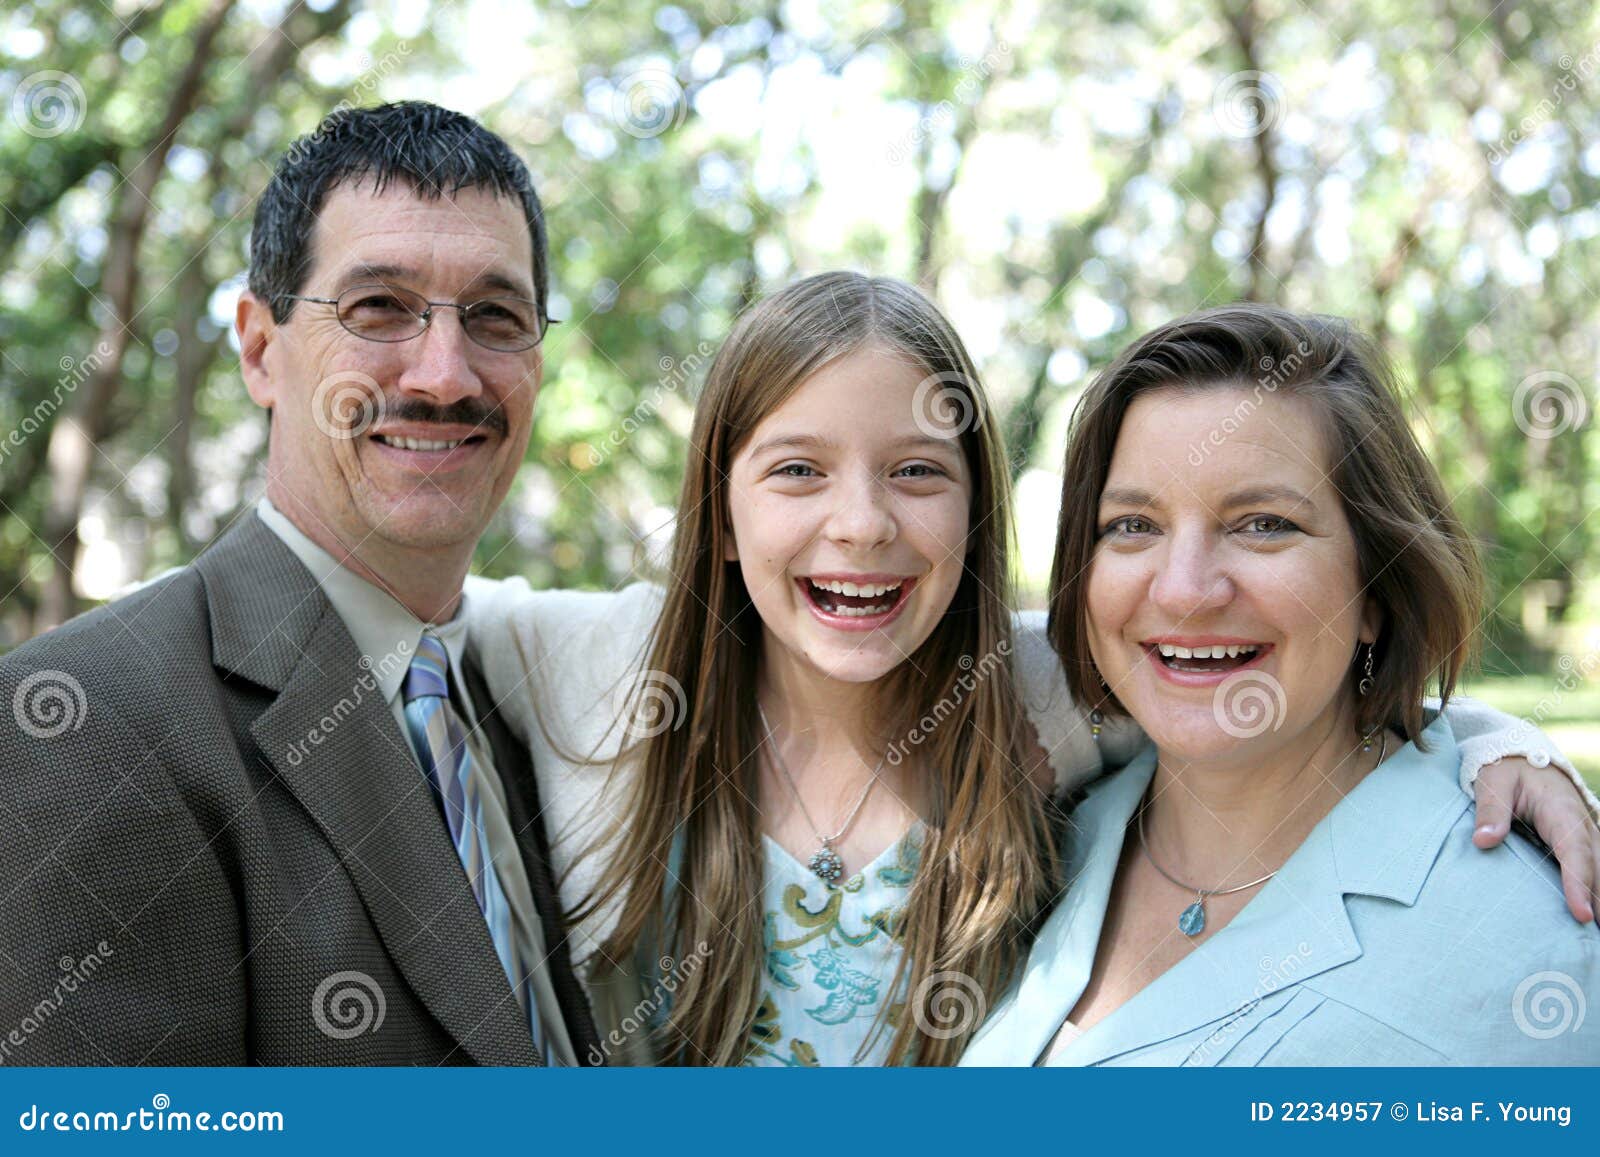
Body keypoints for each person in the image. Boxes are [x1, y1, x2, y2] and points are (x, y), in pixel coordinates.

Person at [464, 276, 1599, 1066]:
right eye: (796, 470)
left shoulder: (1039, 689)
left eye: (915, 470)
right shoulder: (599, 666)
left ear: (978, 516)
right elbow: (386, 615)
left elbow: (1290, 702)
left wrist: (1495, 739)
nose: (858, 524)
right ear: (716, 510)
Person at [0, 102, 599, 1065]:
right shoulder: (83, 723)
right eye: (378, 308)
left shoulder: (523, 709)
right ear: (260, 348)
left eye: (495, 316)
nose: (445, 375)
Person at [960, 305, 1600, 1066]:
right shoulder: (1037, 845)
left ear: (1377, 587)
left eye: (1263, 523)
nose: (1185, 590)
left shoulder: (1528, 941)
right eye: (1133, 524)